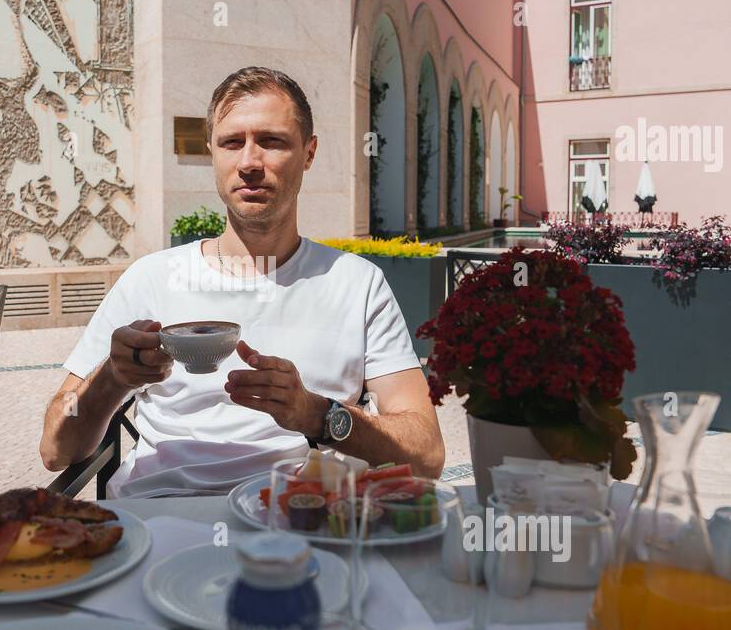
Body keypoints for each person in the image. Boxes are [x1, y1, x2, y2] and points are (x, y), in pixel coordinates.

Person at [40, 66, 445, 497]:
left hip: (302, 525)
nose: (250, 162)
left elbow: (428, 454)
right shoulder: (150, 279)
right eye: (232, 142)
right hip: (161, 527)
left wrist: (318, 416)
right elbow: (54, 448)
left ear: (309, 154)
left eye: (272, 141)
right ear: (212, 152)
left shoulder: (357, 284)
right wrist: (109, 381)